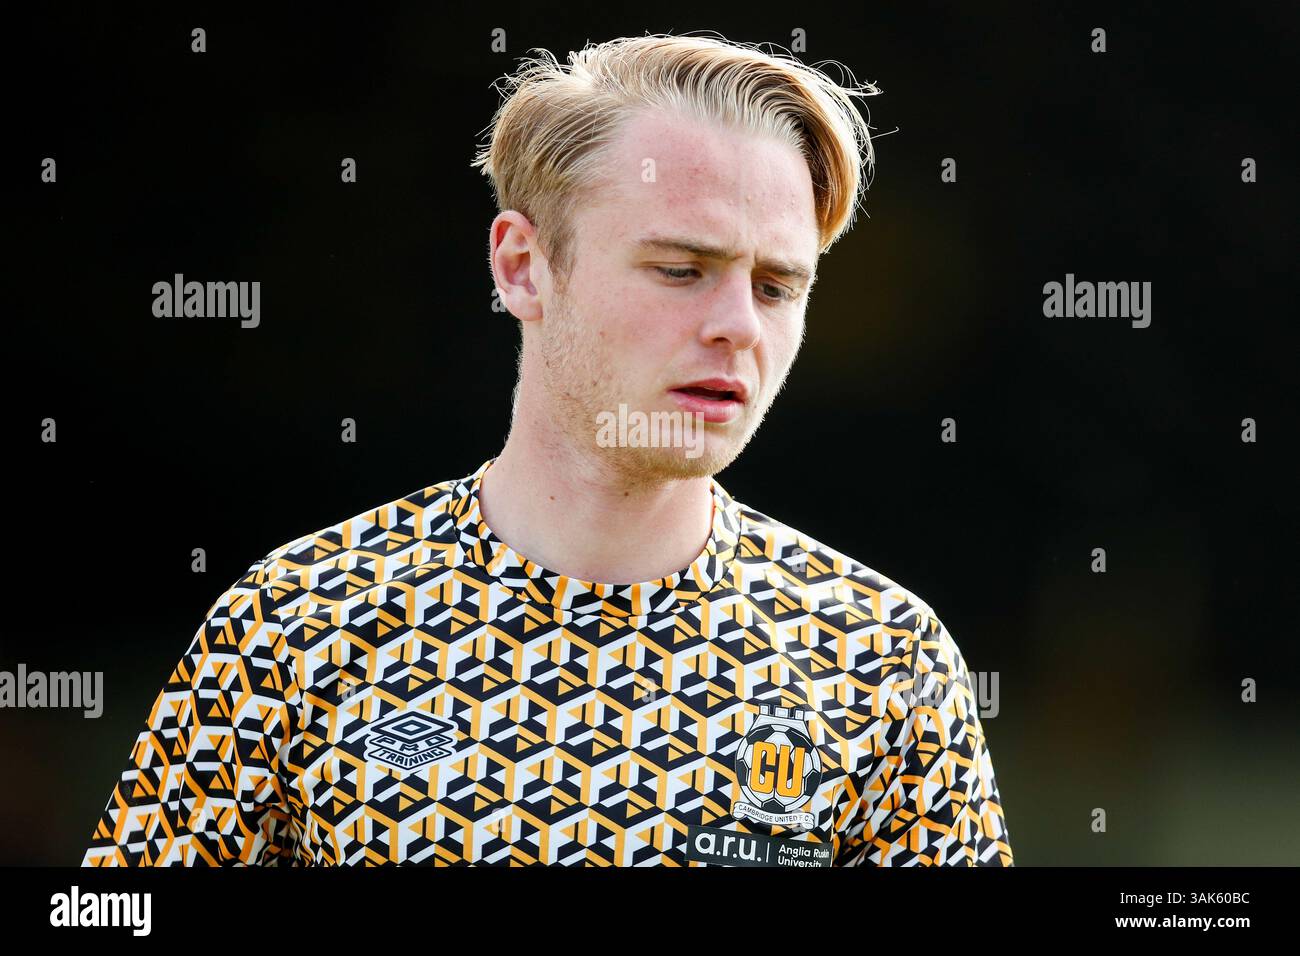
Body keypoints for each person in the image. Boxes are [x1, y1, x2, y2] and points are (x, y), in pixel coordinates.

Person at [82, 32, 1012, 867]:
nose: (736, 326)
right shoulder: (298, 623)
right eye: (681, 269)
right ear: (522, 267)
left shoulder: (879, 658)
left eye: (776, 287)